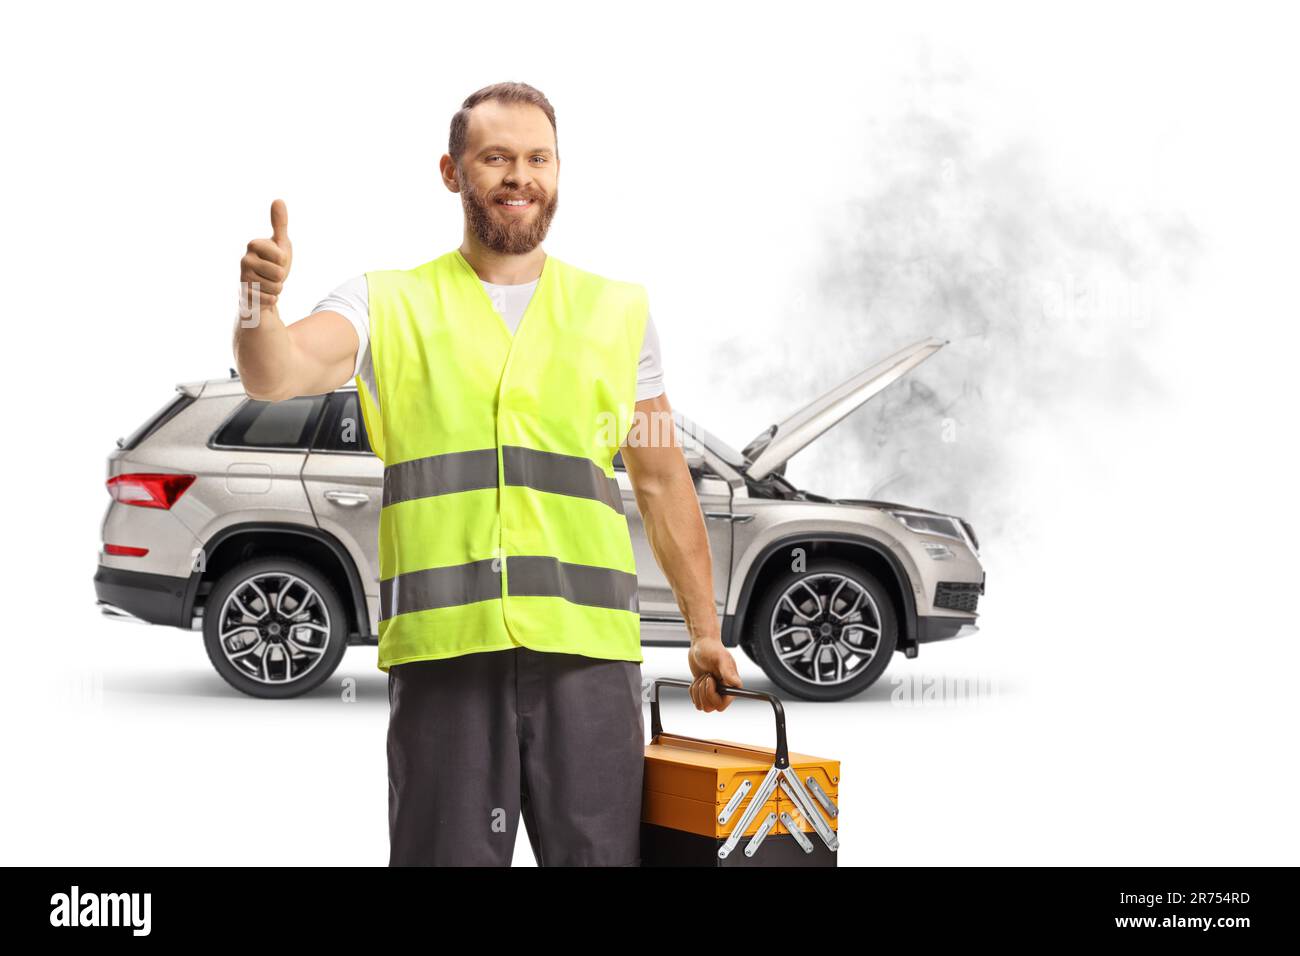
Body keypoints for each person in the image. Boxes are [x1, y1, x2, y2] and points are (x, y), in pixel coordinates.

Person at [232, 81, 742, 866]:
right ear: (451, 171)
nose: (519, 175)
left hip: (589, 652)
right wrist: (257, 308)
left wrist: (705, 632)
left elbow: (662, 478)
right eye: (496, 157)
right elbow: (277, 373)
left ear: (559, 173)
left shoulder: (619, 313)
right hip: (447, 651)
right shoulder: (385, 302)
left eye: (537, 158)